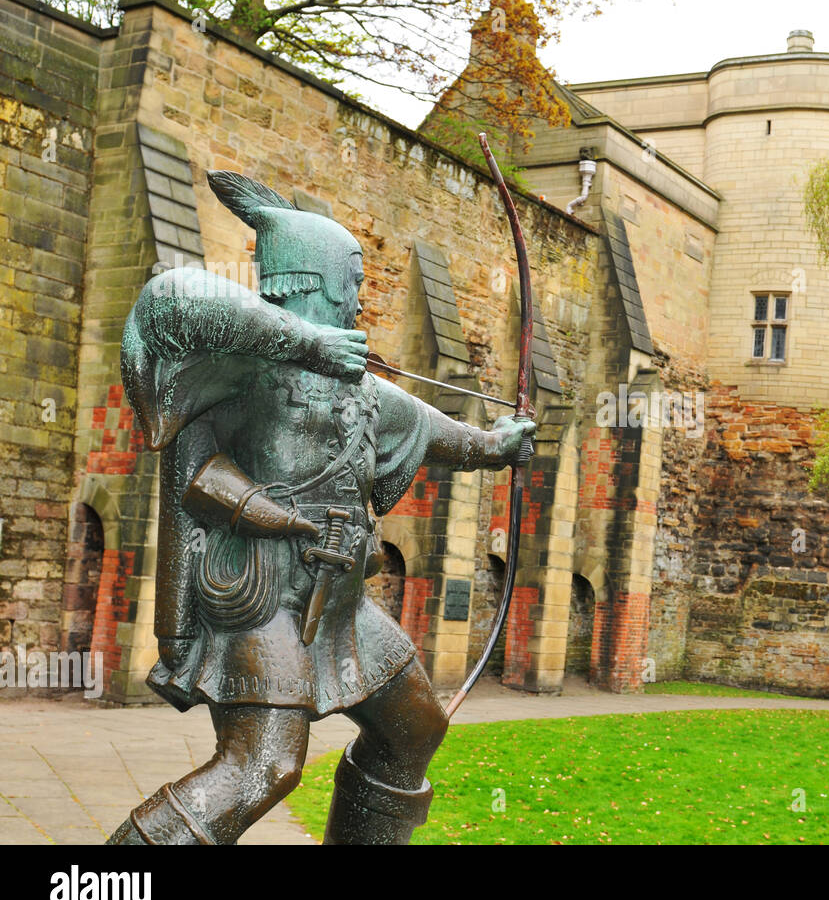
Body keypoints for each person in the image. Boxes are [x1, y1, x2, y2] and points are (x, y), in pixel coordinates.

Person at [107, 171, 534, 845]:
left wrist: (497, 444)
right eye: (353, 279)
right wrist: (307, 343)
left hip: (339, 604)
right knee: (262, 766)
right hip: (260, 597)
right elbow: (166, 301)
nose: (360, 298)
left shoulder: (354, 387)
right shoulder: (242, 362)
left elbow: (433, 427)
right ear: (315, 279)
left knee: (415, 726)